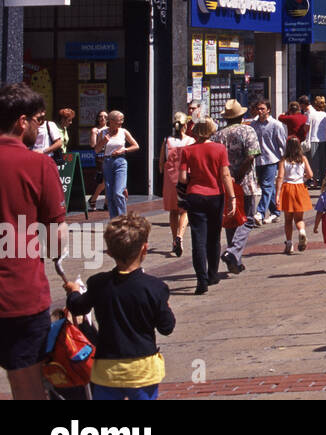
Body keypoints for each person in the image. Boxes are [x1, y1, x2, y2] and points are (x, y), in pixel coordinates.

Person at [0, 83, 69, 399]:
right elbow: (56, 240)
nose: (41, 127)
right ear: (21, 121)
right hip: (20, 294)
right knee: (27, 386)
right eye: (39, 120)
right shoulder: (39, 165)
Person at [63, 213, 175, 400]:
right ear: (144, 249)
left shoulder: (98, 284)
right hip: (142, 369)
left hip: (108, 370)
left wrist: (74, 291)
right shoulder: (155, 288)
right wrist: (165, 306)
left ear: (110, 252)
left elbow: (77, 307)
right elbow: (167, 327)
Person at [178, 117, 239, 294]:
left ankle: (201, 279)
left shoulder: (187, 151)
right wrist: (232, 198)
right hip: (215, 195)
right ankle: (213, 274)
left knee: (198, 238)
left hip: (194, 195)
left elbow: (182, 178)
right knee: (214, 237)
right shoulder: (219, 149)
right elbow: (225, 175)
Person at [211, 99, 260, 275]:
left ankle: (235, 260)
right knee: (247, 219)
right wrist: (238, 174)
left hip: (225, 183)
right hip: (244, 182)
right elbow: (252, 155)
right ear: (241, 116)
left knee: (231, 220)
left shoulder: (217, 135)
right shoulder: (248, 130)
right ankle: (233, 252)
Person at [160, 111, 194, 257]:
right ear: (185, 125)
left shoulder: (167, 140)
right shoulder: (190, 141)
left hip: (169, 179)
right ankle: (180, 236)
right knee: (184, 210)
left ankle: (174, 239)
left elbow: (161, 162)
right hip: (184, 178)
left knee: (173, 211)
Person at [94, 110, 140, 218]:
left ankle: (123, 219)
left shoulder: (123, 132)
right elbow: (96, 150)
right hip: (108, 162)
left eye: (122, 120)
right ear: (111, 121)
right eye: (119, 121)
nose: (121, 123)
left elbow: (136, 146)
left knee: (118, 192)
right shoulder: (103, 133)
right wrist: (103, 142)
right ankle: (114, 220)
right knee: (109, 194)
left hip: (120, 161)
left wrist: (123, 150)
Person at [249, 99, 287, 225]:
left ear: (268, 110)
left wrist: (284, 159)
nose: (260, 111)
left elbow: (283, 143)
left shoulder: (276, 125)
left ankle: (259, 213)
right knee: (268, 187)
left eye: (263, 109)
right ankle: (275, 212)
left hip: (271, 159)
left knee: (266, 186)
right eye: (258, 109)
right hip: (258, 160)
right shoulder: (253, 125)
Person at [277, 137, 315, 253]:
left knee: (288, 219)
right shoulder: (303, 159)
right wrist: (303, 177)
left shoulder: (284, 160)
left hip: (287, 188)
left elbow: (280, 177)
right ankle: (302, 231)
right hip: (300, 188)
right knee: (299, 218)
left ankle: (289, 244)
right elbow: (310, 174)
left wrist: (277, 194)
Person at [306, 95, 326, 188]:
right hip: (324, 140)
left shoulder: (311, 114)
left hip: (314, 140)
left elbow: (307, 127)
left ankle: (315, 180)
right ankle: (323, 180)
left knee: (314, 162)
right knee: (324, 162)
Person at [87, 109, 109, 211]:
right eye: (100, 116)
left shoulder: (110, 129)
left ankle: (105, 202)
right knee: (104, 180)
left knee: (108, 180)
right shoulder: (95, 129)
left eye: (105, 116)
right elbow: (93, 145)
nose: (102, 118)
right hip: (100, 156)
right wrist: (94, 134)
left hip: (110, 155)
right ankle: (94, 198)